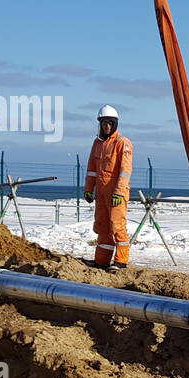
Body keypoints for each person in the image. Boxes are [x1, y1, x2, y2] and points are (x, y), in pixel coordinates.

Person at [83, 105, 133, 270]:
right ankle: (101, 261)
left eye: (110, 123)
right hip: (102, 192)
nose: (107, 126)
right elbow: (92, 169)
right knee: (102, 225)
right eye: (104, 123)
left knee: (117, 225)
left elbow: (125, 171)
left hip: (116, 192)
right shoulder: (97, 143)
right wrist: (89, 189)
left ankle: (121, 261)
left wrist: (119, 191)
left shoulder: (122, 143)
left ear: (115, 124)